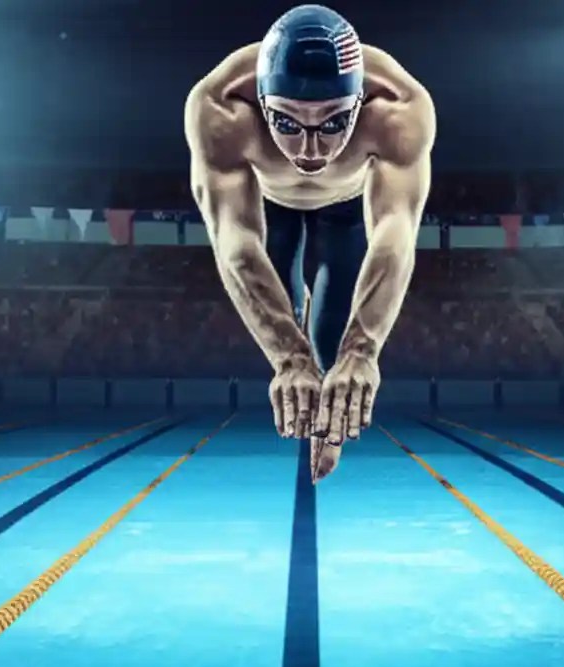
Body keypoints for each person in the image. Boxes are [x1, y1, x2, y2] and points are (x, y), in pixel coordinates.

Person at [185, 4, 435, 481]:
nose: (309, 150)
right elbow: (235, 242)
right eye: (286, 124)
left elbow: (395, 230)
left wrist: (362, 353)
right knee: (289, 329)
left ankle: (328, 418)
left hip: (347, 207)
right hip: (269, 204)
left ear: (361, 102)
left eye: (334, 124)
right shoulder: (219, 107)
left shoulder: (399, 107)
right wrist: (287, 360)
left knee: (332, 341)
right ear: (260, 101)